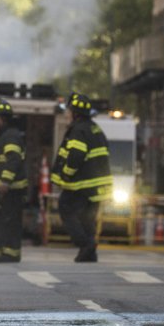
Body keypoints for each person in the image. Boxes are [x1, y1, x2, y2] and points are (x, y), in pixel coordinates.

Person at [51, 92, 113, 262]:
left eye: (68, 110)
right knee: (88, 218)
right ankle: (90, 253)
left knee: (66, 209)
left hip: (81, 185)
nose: (66, 113)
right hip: (97, 186)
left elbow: (76, 156)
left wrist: (65, 175)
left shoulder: (78, 130)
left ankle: (85, 244)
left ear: (74, 113)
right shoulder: (95, 128)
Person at [0, 98, 28, 263]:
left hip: (12, 189)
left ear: (1, 119)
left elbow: (13, 160)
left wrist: (5, 181)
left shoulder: (11, 136)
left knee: (9, 221)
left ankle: (11, 254)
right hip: (1, 189)